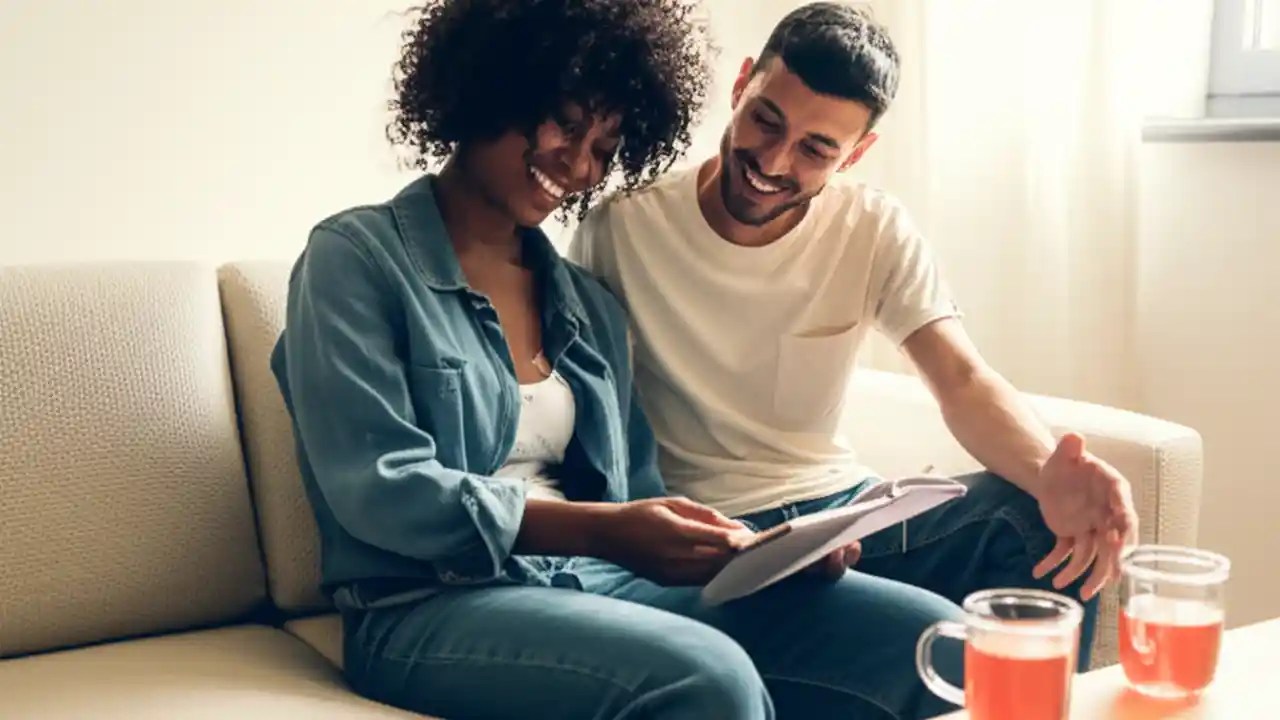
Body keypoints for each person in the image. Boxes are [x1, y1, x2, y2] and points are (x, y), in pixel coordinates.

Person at [569, 0, 1138, 685]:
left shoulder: (873, 228)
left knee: (1034, 524)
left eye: (816, 149)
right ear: (742, 84)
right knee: (923, 631)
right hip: (720, 534)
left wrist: (1051, 472)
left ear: (857, 152)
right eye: (765, 119)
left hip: (841, 516)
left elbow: (960, 378)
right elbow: (587, 415)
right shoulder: (622, 227)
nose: (773, 161)